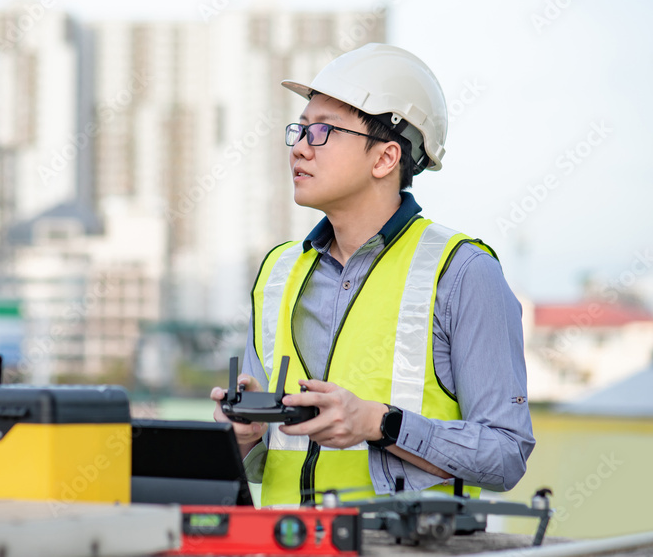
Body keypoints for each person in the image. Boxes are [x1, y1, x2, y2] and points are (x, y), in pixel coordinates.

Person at [210, 43, 534, 507]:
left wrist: (380, 425)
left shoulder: (463, 273)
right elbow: (268, 457)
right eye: (299, 130)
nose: (299, 148)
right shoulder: (277, 272)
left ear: (384, 159)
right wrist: (240, 435)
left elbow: (505, 454)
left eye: (321, 132)